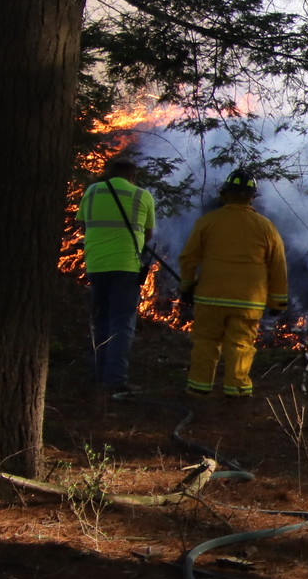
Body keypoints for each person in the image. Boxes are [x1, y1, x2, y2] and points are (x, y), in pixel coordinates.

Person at [178, 169, 288, 398]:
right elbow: (277, 266)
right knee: (240, 345)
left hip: (210, 297)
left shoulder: (207, 222)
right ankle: (236, 391)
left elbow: (188, 258)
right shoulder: (266, 227)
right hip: (248, 301)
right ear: (251, 197)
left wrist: (186, 286)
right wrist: (278, 301)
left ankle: (199, 388)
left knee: (206, 342)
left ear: (225, 194)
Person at [77, 156, 155, 393]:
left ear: (110, 174)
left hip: (96, 264)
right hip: (126, 266)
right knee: (121, 323)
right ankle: (116, 380)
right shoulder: (142, 196)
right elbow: (148, 234)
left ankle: (98, 373)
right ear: (132, 176)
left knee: (99, 320)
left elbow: (83, 226)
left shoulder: (91, 192)